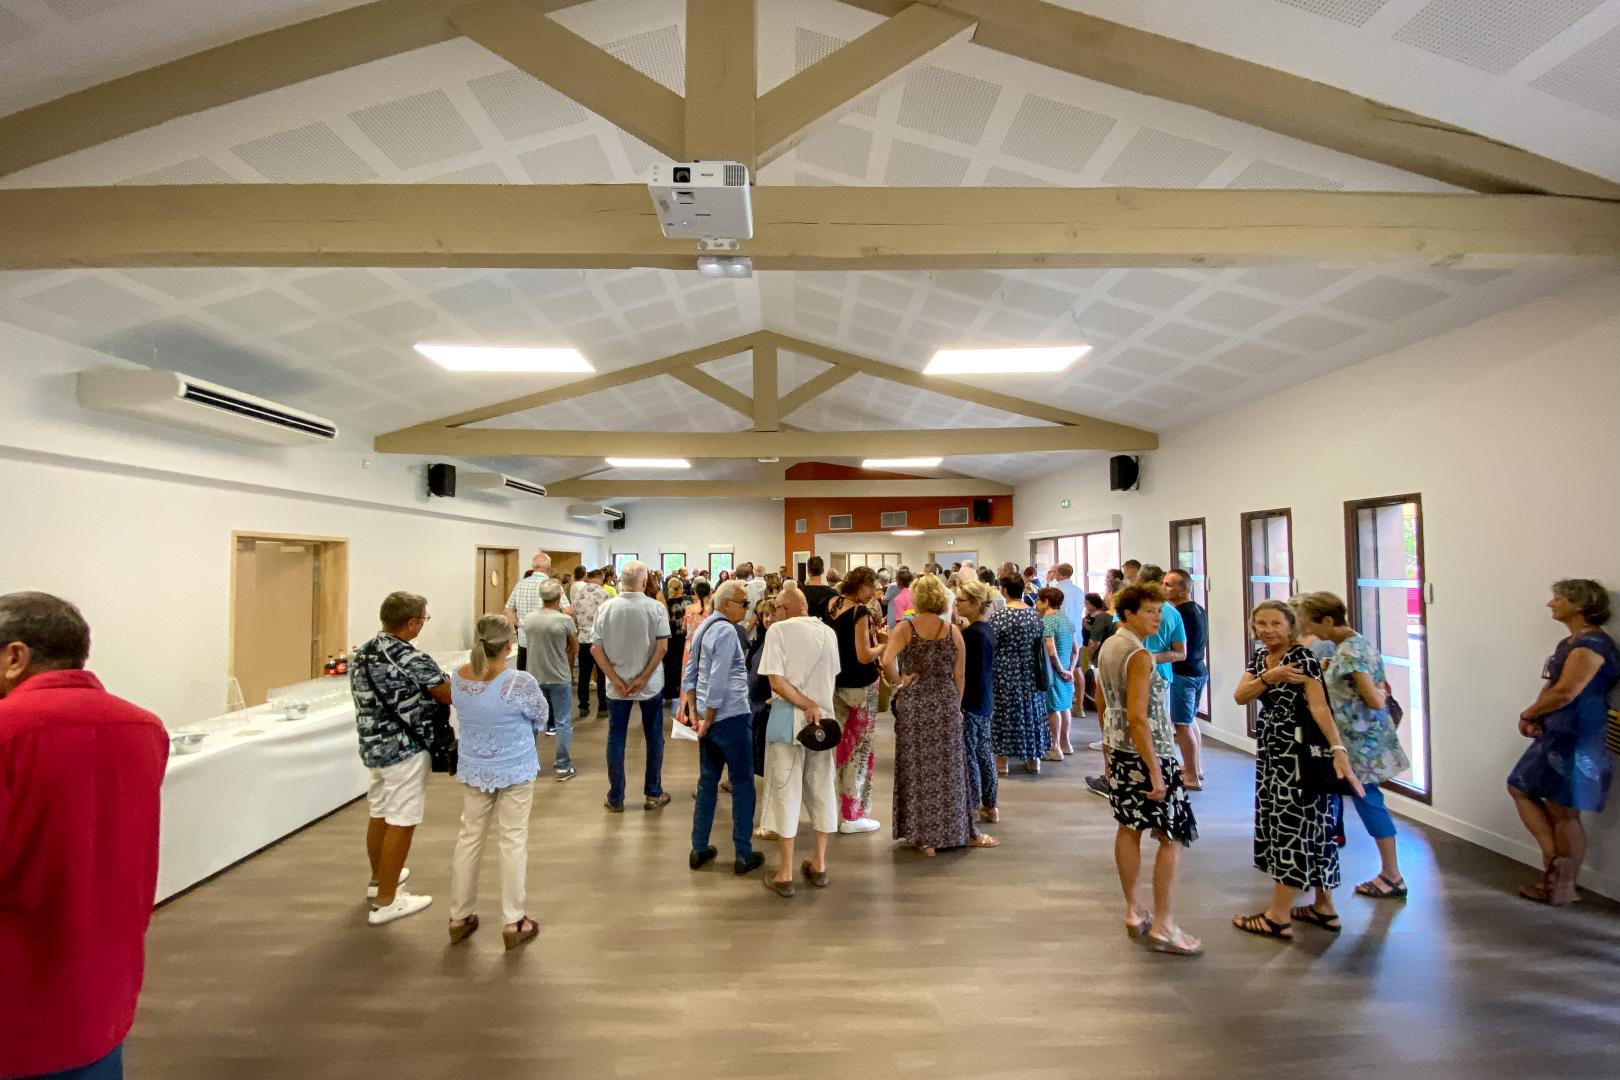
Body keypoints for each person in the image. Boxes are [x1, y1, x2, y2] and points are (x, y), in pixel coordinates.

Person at [0, 593, 168, 1080]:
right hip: (103, 985)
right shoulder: (143, 726)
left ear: (15, 657)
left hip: (16, 998)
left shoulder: (8, 732)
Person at [1232, 600, 1362, 941]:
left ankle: (1278, 916)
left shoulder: (1302, 658)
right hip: (1274, 751)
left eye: (1275, 623)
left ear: (1290, 626)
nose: (1268, 630)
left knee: (1295, 825)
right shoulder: (1261, 659)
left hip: (1297, 753)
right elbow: (1240, 695)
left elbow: (1320, 707)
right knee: (1302, 824)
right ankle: (1324, 906)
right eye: (1261, 623)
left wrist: (1338, 750)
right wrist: (1269, 677)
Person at [1094, 584, 1200, 955]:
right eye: (1151, 611)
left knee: (1129, 828)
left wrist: (1108, 750)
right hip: (1148, 753)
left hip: (1123, 753)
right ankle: (1164, 923)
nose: (1158, 617)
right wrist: (1156, 770)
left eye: (1159, 611)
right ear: (1130, 613)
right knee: (1171, 836)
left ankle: (1133, 909)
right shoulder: (1138, 655)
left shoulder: (1110, 645)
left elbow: (1105, 704)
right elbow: (1138, 717)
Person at [1507, 579, 1619, 906]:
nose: (1551, 604)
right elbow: (1553, 685)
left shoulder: (1593, 645)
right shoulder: (1571, 643)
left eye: (1559, 598)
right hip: (1558, 731)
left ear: (1579, 604)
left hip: (1579, 733)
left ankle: (1562, 883)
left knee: (1565, 810)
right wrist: (1534, 716)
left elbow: (1567, 691)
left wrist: (1530, 712)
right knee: (1521, 787)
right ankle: (1555, 863)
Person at [1294, 592, 1408, 897]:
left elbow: (1372, 697)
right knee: (1361, 799)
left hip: (1360, 744)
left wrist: (1380, 693)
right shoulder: (1349, 647)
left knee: (1368, 800)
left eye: (1309, 622)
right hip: (1355, 739)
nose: (1307, 629)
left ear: (1328, 620)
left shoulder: (1351, 652)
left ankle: (1392, 874)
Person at [351, 591, 451, 925]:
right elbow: (445, 692)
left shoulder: (363, 653)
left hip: (373, 747)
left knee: (379, 811)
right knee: (403, 820)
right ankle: (388, 901)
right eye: (424, 618)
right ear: (412, 623)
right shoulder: (409, 658)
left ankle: (379, 878)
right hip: (405, 748)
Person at [447, 616, 546, 950]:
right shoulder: (519, 681)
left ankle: (459, 915)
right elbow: (540, 715)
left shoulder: (458, 679)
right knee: (513, 839)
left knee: (469, 836)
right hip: (514, 766)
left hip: (474, 765)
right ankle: (513, 919)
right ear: (508, 645)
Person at [883, 574, 998, 855]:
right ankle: (957, 830)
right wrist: (955, 706)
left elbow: (886, 661)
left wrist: (899, 681)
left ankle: (923, 837)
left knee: (917, 768)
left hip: (915, 703)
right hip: (945, 701)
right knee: (950, 770)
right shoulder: (952, 631)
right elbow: (959, 675)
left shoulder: (905, 629)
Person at [758, 585, 843, 896]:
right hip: (824, 724)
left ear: (786, 609)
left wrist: (804, 703)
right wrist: (814, 704)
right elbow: (833, 676)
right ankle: (819, 863)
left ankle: (785, 872)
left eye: (777, 609)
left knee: (785, 791)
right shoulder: (828, 633)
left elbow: (776, 682)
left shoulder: (779, 632)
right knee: (822, 789)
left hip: (788, 721)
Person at [682, 580, 765, 875]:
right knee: (743, 783)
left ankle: (699, 846)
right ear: (727, 603)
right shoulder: (729, 632)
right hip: (729, 716)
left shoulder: (704, 627)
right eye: (743, 603)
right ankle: (743, 853)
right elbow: (718, 680)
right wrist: (711, 714)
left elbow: (690, 674)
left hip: (707, 719)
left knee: (707, 782)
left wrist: (696, 713)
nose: (747, 609)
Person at [591, 561, 672, 813]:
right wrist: (644, 677)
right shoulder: (655, 608)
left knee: (616, 739)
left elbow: (596, 648)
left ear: (619, 581)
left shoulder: (606, 608)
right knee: (653, 736)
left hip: (617, 688)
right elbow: (662, 648)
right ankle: (653, 792)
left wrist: (615, 678)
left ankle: (616, 797)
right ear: (645, 582)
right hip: (650, 685)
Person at [829, 566, 884, 832]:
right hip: (861, 686)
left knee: (840, 746)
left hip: (837, 683)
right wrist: (885, 644)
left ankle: (837, 807)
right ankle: (853, 814)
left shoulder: (834, 604)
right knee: (860, 750)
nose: (874, 592)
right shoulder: (859, 612)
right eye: (871, 586)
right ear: (860, 585)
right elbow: (864, 655)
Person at [991, 574, 1049, 775]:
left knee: (1004, 713)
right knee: (1031, 712)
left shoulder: (999, 617)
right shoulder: (1035, 616)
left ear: (1005, 591)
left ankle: (1002, 763)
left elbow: (992, 645)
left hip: (1004, 671)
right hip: (1030, 670)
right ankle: (1034, 761)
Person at [522, 579, 577, 781]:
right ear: (558, 597)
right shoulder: (564, 621)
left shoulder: (529, 619)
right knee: (562, 721)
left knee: (534, 722)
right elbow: (574, 647)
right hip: (559, 675)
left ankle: (529, 763)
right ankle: (563, 765)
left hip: (535, 675)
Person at [955, 578, 999, 822]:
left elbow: (966, 672)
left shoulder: (972, 635)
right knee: (983, 752)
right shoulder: (987, 629)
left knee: (970, 753)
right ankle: (990, 805)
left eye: (961, 601)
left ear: (974, 603)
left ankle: (971, 804)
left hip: (971, 700)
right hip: (985, 699)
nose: (957, 605)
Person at [1164, 569, 1207, 790]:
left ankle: (1191, 775)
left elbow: (1180, 648)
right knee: (1189, 721)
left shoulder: (1181, 614)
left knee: (1182, 725)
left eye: (1170, 584)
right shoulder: (1198, 609)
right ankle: (1195, 767)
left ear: (1184, 587)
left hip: (1184, 674)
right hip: (1197, 670)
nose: (1165, 588)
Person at [1037, 586, 1079, 760]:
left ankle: (1054, 748)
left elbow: (1051, 651)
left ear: (1046, 602)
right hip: (1067, 671)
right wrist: (1070, 670)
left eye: (1039, 600)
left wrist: (1060, 670)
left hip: (1053, 671)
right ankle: (1065, 743)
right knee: (1065, 707)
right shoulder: (1066, 620)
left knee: (1053, 708)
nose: (1037, 604)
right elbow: (1076, 649)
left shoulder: (1048, 621)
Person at [504, 550, 560, 673]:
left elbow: (508, 610)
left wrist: (519, 625)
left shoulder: (520, 584)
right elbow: (567, 610)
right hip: (546, 640)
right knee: (544, 679)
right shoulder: (552, 585)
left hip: (524, 638)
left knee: (524, 676)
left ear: (533, 567)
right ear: (548, 567)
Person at [572, 567, 610, 719]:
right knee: (602, 674)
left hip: (583, 639)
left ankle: (583, 705)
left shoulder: (578, 594)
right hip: (600, 640)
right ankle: (602, 707)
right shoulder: (604, 594)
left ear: (588, 577)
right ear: (601, 578)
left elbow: (573, 617)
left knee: (584, 674)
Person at [663, 575, 691, 712]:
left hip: (670, 638)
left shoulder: (666, 603)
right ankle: (683, 691)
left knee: (670, 665)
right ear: (681, 587)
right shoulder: (688, 601)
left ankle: (669, 693)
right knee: (684, 665)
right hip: (685, 638)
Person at [801, 555, 837, 621]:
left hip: (807, 628)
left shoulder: (801, 592)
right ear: (822, 571)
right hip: (826, 629)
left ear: (808, 571)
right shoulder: (833, 593)